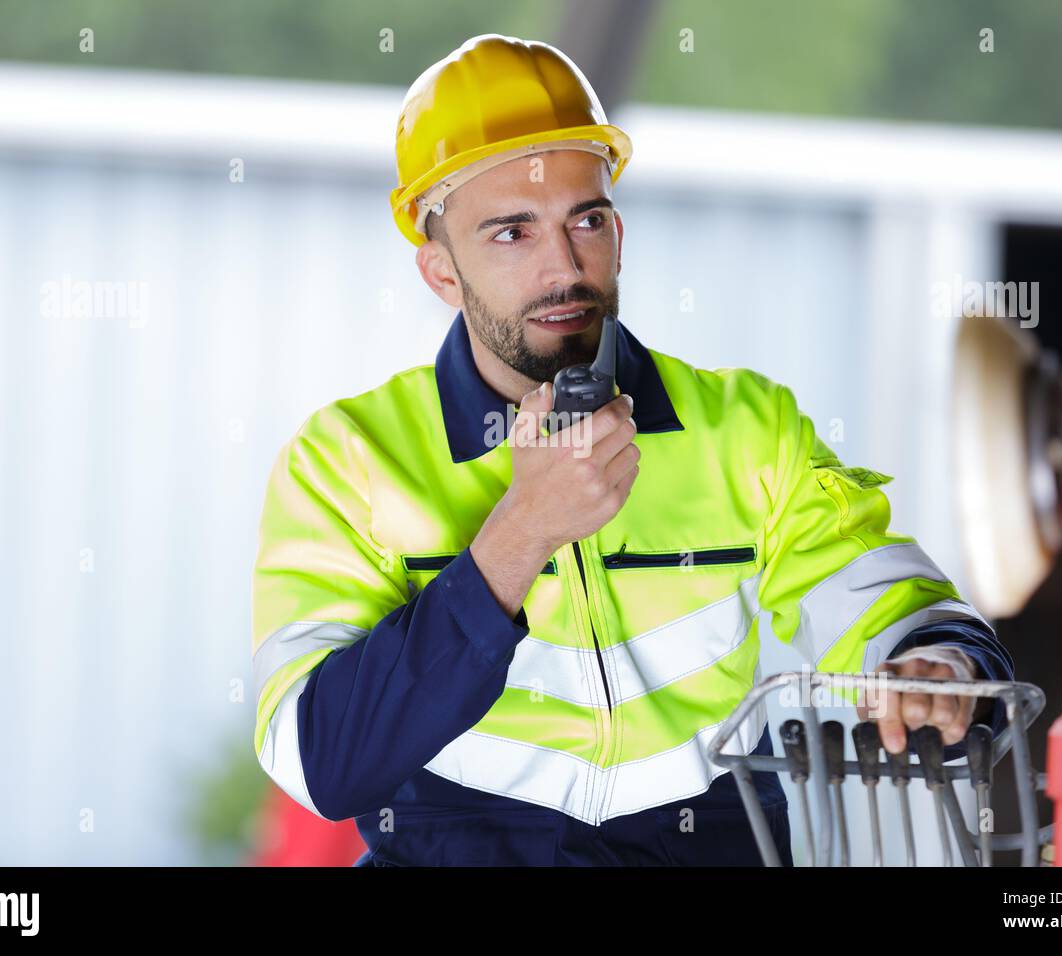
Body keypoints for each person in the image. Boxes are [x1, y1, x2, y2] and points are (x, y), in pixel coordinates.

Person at [250, 33, 1013, 866]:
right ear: (441, 271)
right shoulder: (350, 459)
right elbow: (321, 759)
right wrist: (517, 537)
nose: (566, 267)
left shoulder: (741, 425)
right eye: (512, 233)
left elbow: (885, 600)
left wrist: (934, 661)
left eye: (588, 219)